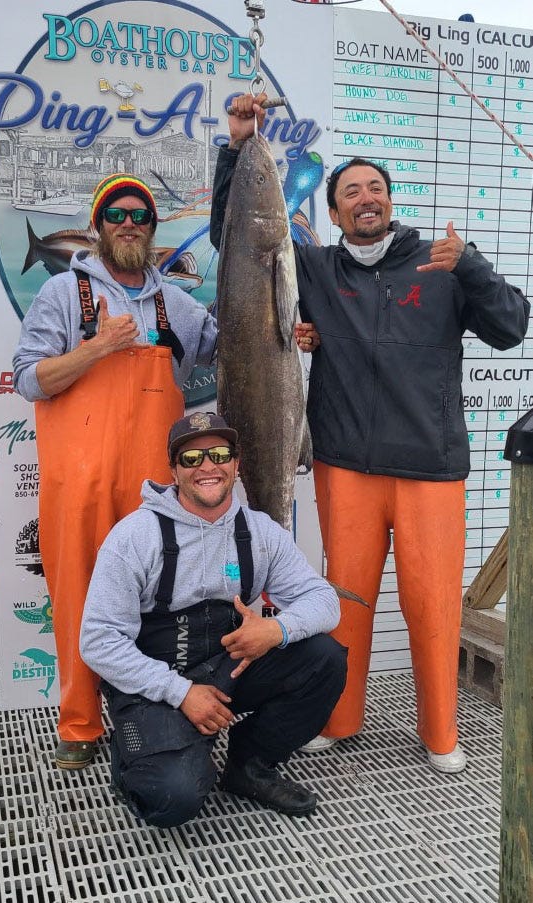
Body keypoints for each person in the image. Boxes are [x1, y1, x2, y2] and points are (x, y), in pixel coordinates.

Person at [210, 95, 530, 774]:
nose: (365, 199)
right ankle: (339, 718)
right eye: (350, 191)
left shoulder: (442, 263)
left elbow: (510, 328)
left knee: (433, 608)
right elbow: (238, 241)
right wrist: (236, 149)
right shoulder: (317, 270)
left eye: (375, 189)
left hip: (429, 471)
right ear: (331, 213)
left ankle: (440, 732)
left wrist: (469, 261)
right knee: (344, 601)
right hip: (345, 467)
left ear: (389, 201)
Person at [13, 174, 217, 770]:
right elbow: (30, 378)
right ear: (98, 225)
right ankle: (79, 724)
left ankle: (155, 721)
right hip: (77, 489)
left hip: (155, 493)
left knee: (161, 605)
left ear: (154, 230)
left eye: (140, 215)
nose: (128, 223)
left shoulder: (177, 304)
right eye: (115, 214)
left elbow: (229, 348)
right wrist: (96, 348)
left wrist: (289, 330)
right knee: (77, 599)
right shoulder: (61, 293)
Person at [79, 411, 347, 826]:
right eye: (191, 458)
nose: (208, 466)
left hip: (226, 667)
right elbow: (98, 641)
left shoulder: (261, 532)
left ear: (236, 464)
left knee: (324, 657)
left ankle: (249, 766)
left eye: (220, 454)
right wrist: (181, 693)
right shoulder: (134, 536)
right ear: (173, 470)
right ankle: (139, 754)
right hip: (154, 679)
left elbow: (325, 601)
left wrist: (276, 630)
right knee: (173, 799)